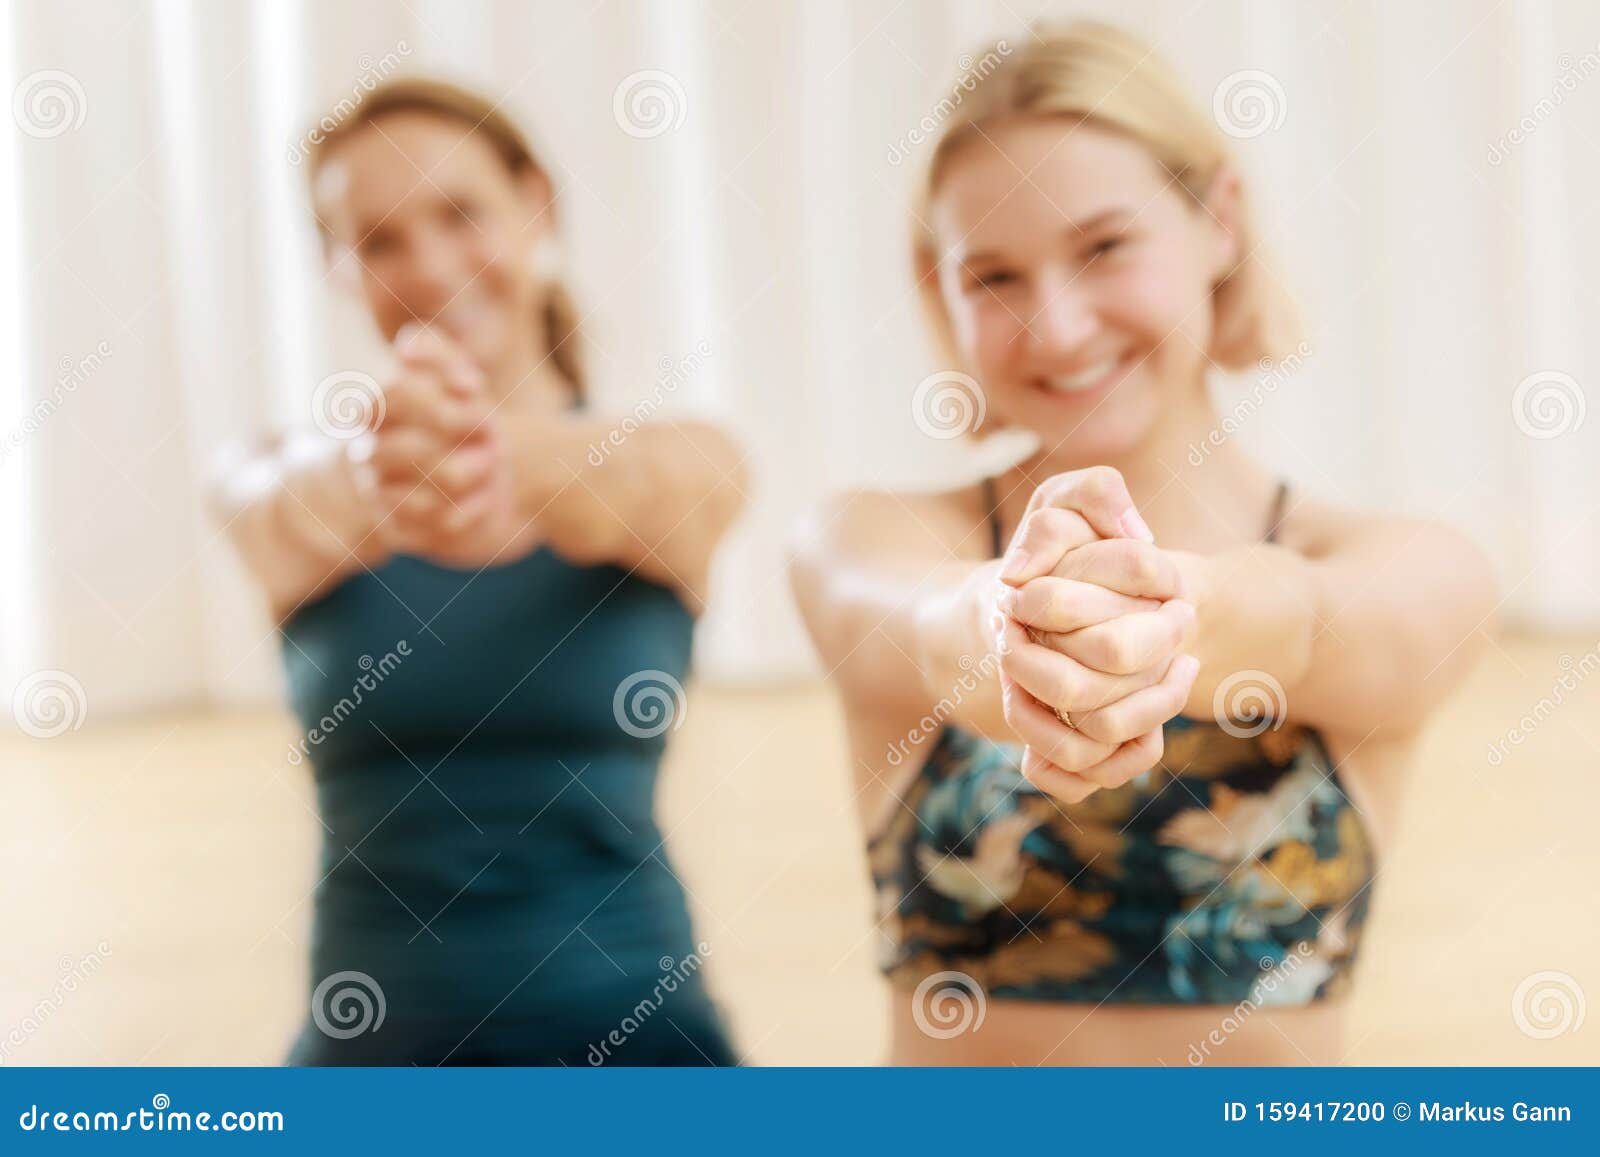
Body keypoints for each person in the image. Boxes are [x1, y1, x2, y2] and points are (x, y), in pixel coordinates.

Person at [789, 22, 1497, 1066]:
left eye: (1103, 247)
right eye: (994, 277)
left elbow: (1307, 624)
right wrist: (1012, 623)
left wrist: (1176, 613)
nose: (1060, 326)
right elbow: (931, 630)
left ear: (1218, 221)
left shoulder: (1408, 562)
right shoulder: (865, 537)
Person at [211, 78, 745, 1065]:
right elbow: (274, 507)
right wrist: (378, 463)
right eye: (378, 240)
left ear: (535, 204)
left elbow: (659, 481)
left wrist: (491, 448)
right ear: (337, 266)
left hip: (639, 1045)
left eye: (461, 213)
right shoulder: (277, 476)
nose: (430, 265)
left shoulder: (676, 460)